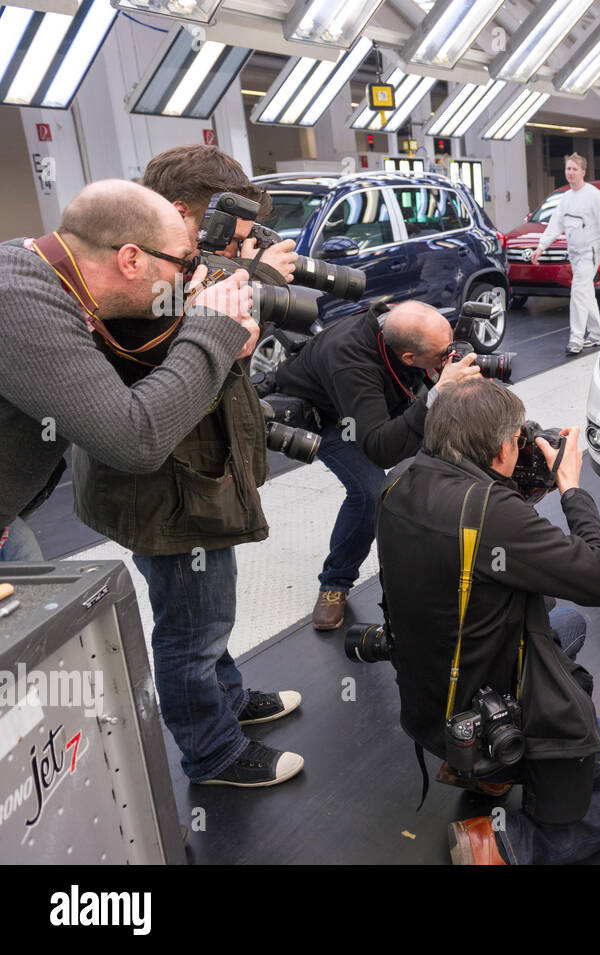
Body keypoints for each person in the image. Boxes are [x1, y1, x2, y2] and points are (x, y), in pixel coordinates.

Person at [71, 147, 302, 789]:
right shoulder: (140, 278)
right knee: (190, 632)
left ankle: (224, 701)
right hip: (169, 492)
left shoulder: (176, 268)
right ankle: (214, 754)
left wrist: (236, 277)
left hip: (180, 480)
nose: (248, 244)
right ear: (184, 217)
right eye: (238, 231)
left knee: (201, 615)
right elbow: (176, 351)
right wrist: (252, 279)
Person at [375, 378, 600, 864]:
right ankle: (505, 843)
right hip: (489, 707)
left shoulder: (397, 481)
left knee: (570, 624)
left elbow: (474, 541)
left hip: (432, 695)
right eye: (516, 442)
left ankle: (480, 771)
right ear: (501, 449)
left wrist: (513, 487)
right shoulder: (496, 515)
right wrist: (572, 488)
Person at [0, 178, 254, 562]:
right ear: (131, 260)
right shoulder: (18, 299)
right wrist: (212, 326)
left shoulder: (35, 267)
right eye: (185, 263)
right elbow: (136, 440)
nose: (188, 277)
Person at [271, 300, 482, 630]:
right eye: (444, 354)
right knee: (369, 492)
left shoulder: (399, 323)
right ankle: (335, 583)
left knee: (452, 450)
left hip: (378, 399)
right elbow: (382, 450)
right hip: (329, 414)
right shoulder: (351, 363)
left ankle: (452, 556)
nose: (449, 358)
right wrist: (439, 393)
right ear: (408, 358)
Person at [525, 153, 600, 355]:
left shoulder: (594, 196)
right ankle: (597, 335)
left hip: (591, 252)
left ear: (583, 171)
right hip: (574, 253)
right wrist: (541, 247)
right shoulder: (565, 198)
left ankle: (576, 339)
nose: (571, 172)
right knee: (586, 293)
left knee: (578, 292)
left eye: (574, 169)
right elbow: (555, 224)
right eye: (568, 169)